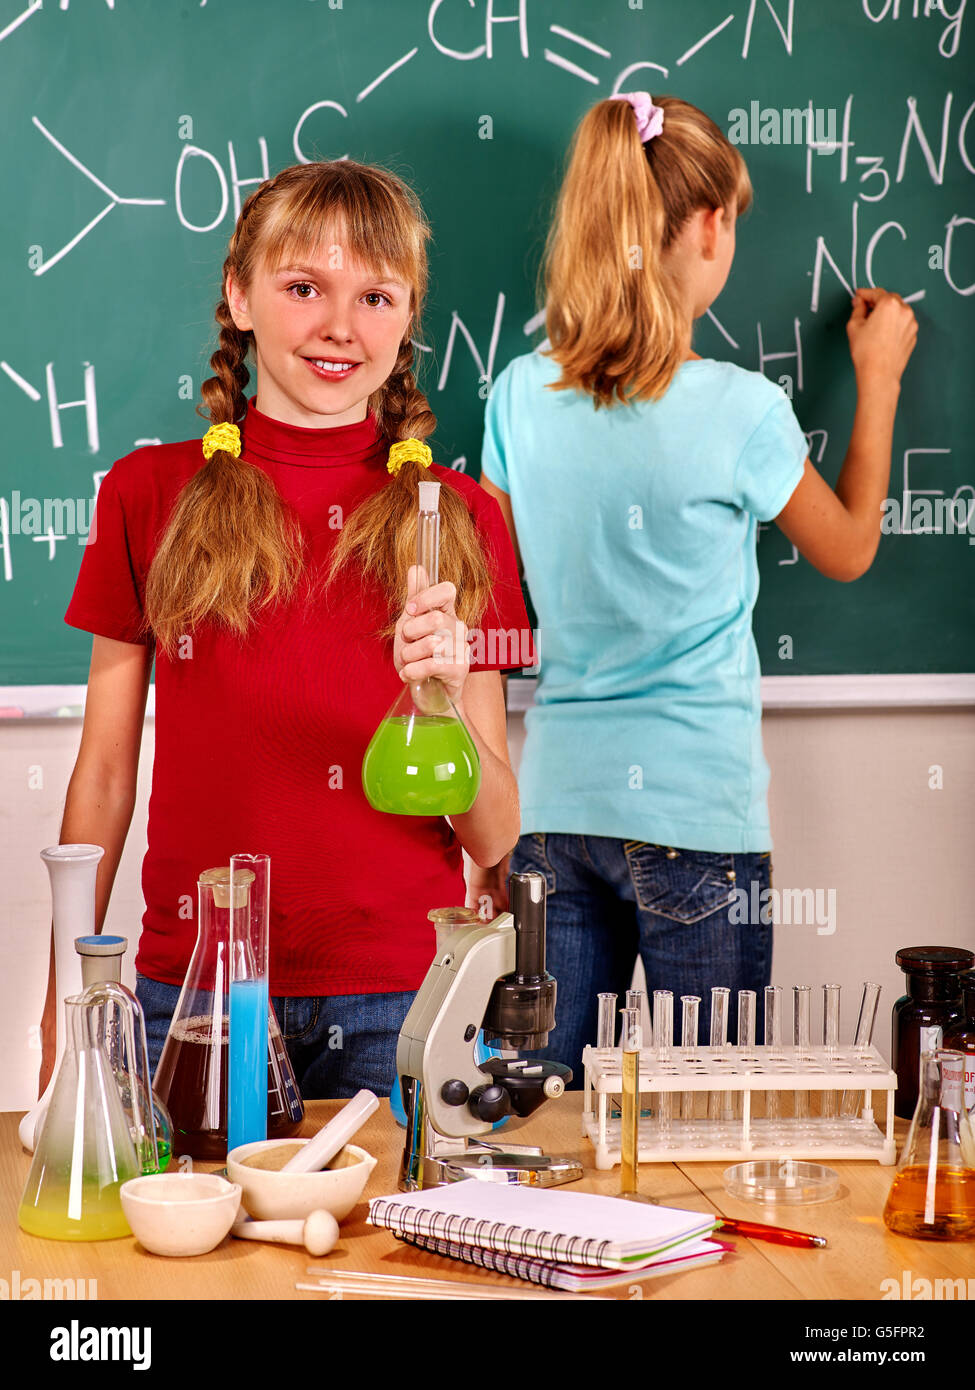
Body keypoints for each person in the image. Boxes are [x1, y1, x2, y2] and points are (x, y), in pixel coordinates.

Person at [44, 160, 534, 1100]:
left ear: (408, 317)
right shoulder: (148, 496)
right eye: (302, 287)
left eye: (376, 296)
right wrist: (68, 999)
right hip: (193, 991)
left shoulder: (460, 518)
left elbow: (494, 831)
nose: (340, 327)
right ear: (239, 294)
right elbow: (104, 774)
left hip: (401, 994)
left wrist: (443, 697)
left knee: (381, 1251)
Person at [475, 93, 918, 1078]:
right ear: (709, 224)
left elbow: (495, 604)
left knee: (539, 1108)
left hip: (553, 811)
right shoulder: (742, 410)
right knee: (704, 1119)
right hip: (695, 818)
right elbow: (847, 547)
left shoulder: (516, 397)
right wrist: (877, 377)